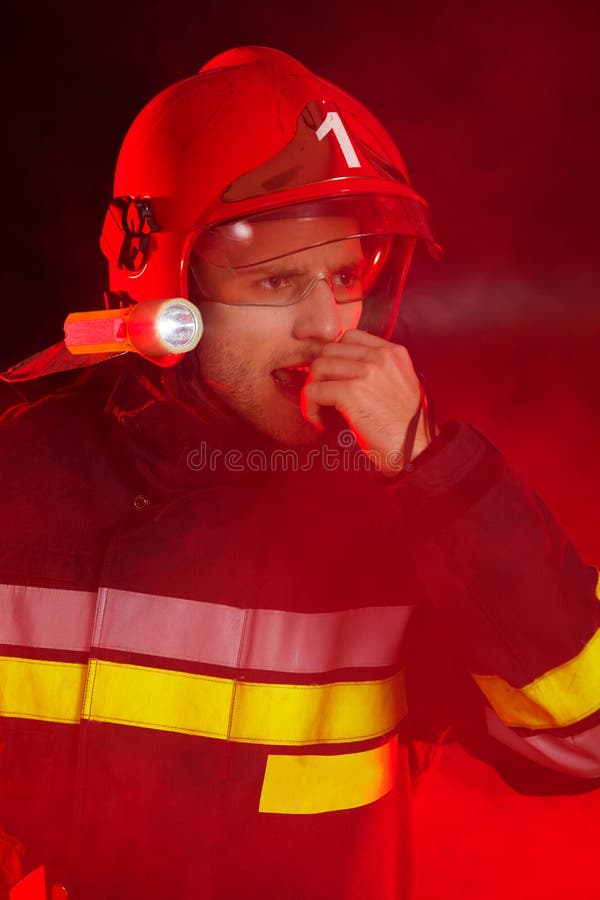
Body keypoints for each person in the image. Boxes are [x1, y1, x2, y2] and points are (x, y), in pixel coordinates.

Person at [0, 45, 598, 900]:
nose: (327, 323)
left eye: (348, 276)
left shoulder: (408, 518)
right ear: (161, 284)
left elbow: (588, 738)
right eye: (279, 280)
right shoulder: (16, 476)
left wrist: (432, 470)